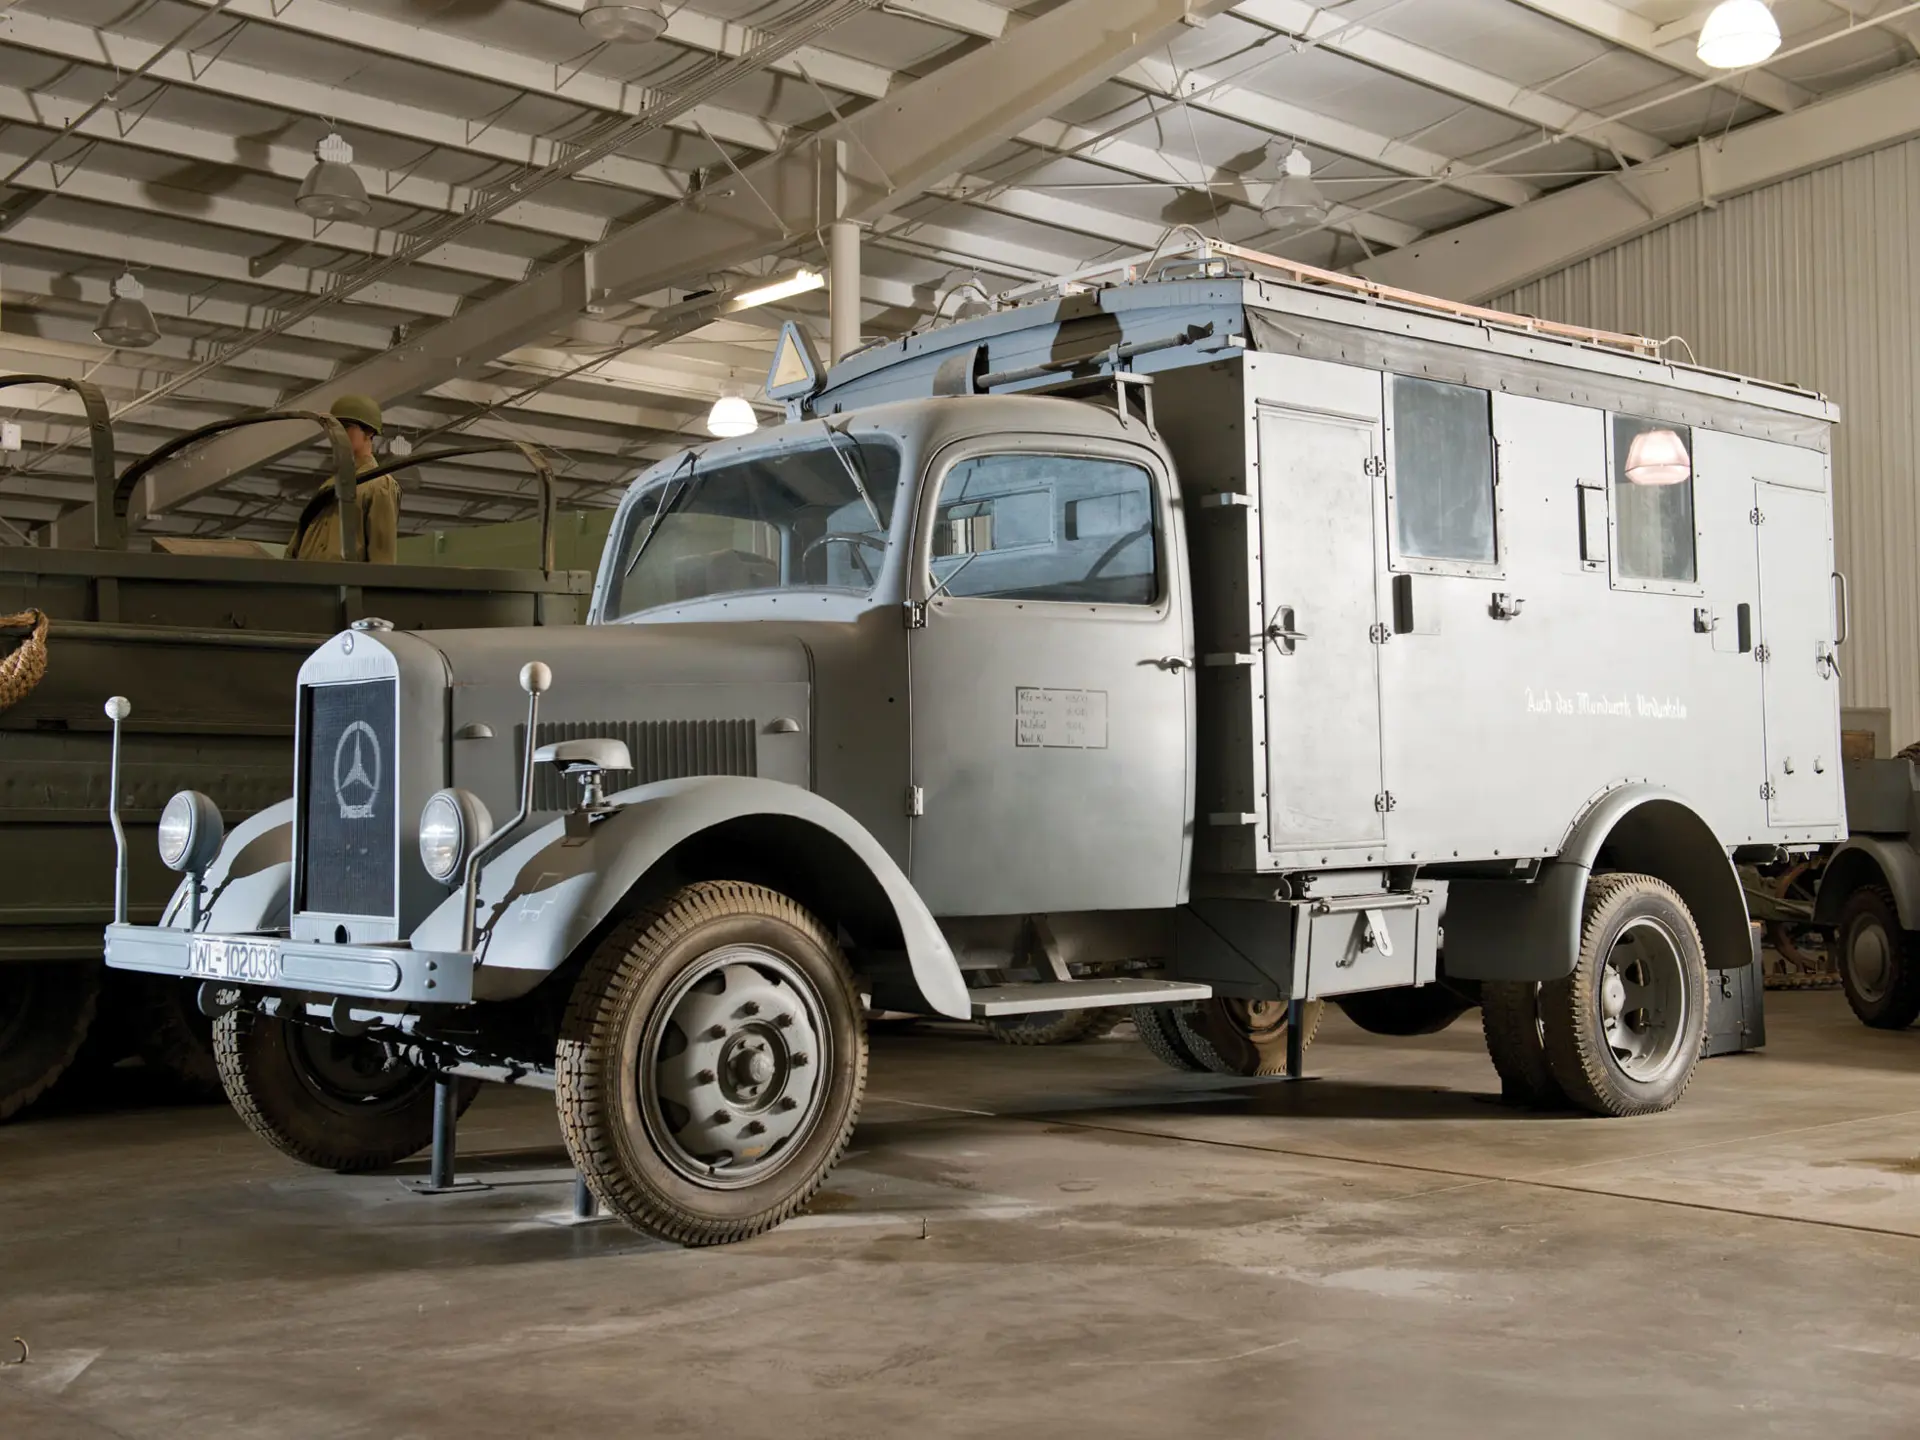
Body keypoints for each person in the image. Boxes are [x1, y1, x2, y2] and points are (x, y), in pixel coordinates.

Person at [285, 394, 400, 562]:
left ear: (369, 431)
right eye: (333, 428)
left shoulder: (379, 484)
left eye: (345, 427)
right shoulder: (329, 485)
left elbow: (382, 559)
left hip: (342, 578)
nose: (336, 434)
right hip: (306, 576)